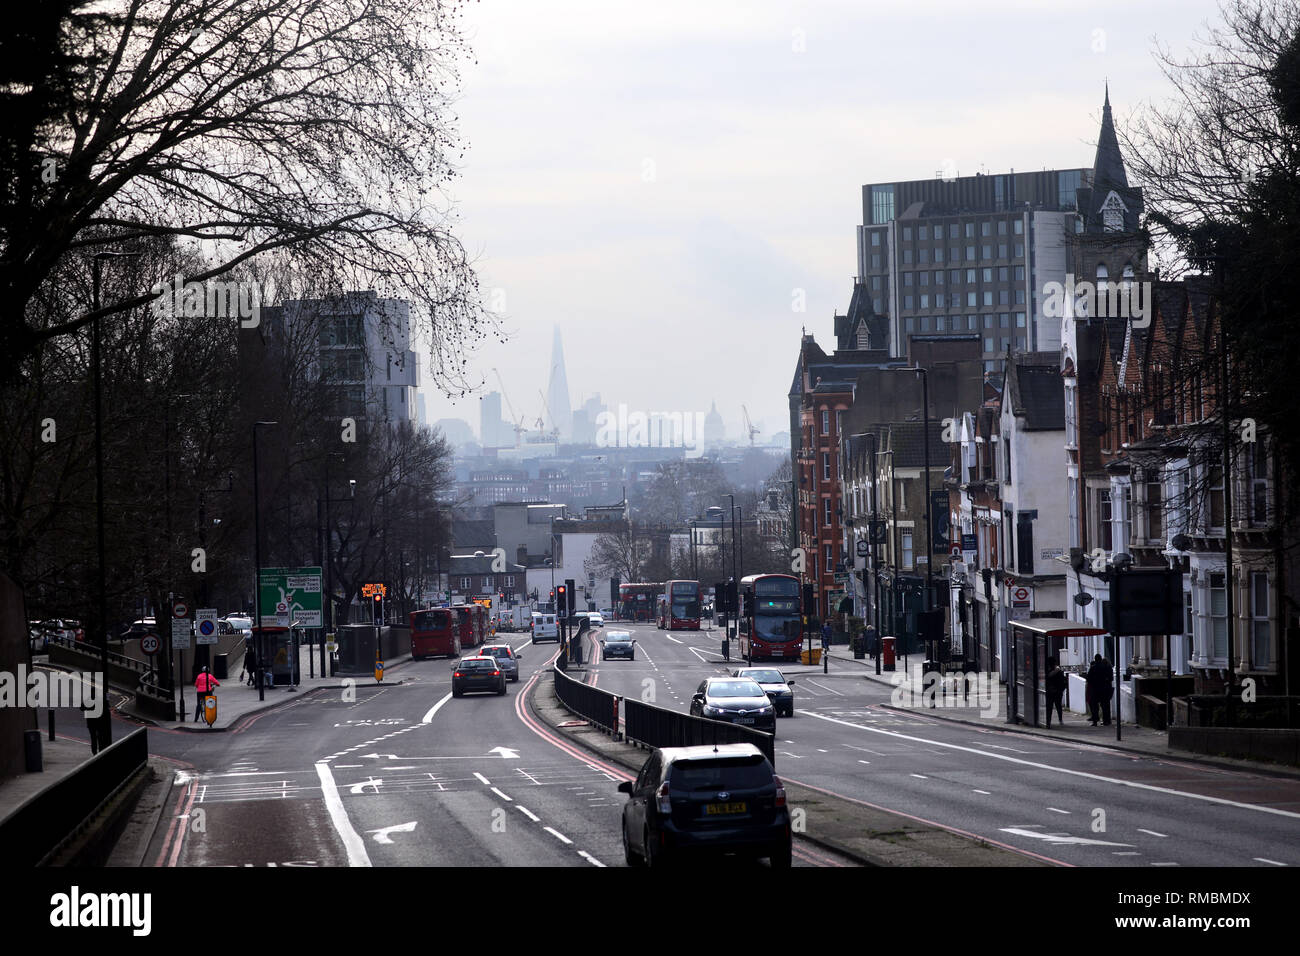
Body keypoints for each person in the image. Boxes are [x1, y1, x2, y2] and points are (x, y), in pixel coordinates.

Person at [1086, 654, 1113, 726]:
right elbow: (1110, 678)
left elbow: (1088, 679)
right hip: (1104, 689)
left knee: (1094, 706)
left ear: (1095, 659)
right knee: (1105, 706)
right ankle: (1106, 721)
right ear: (1101, 659)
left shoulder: (1093, 668)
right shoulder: (1106, 667)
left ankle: (1095, 721)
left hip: (1095, 689)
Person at [1044, 656, 1067, 728]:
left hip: (1050, 692)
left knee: (1049, 707)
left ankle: (1048, 722)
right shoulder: (1059, 671)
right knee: (1058, 706)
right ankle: (1060, 719)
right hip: (1057, 691)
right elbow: (1062, 682)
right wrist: (1061, 690)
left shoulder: (1047, 671)